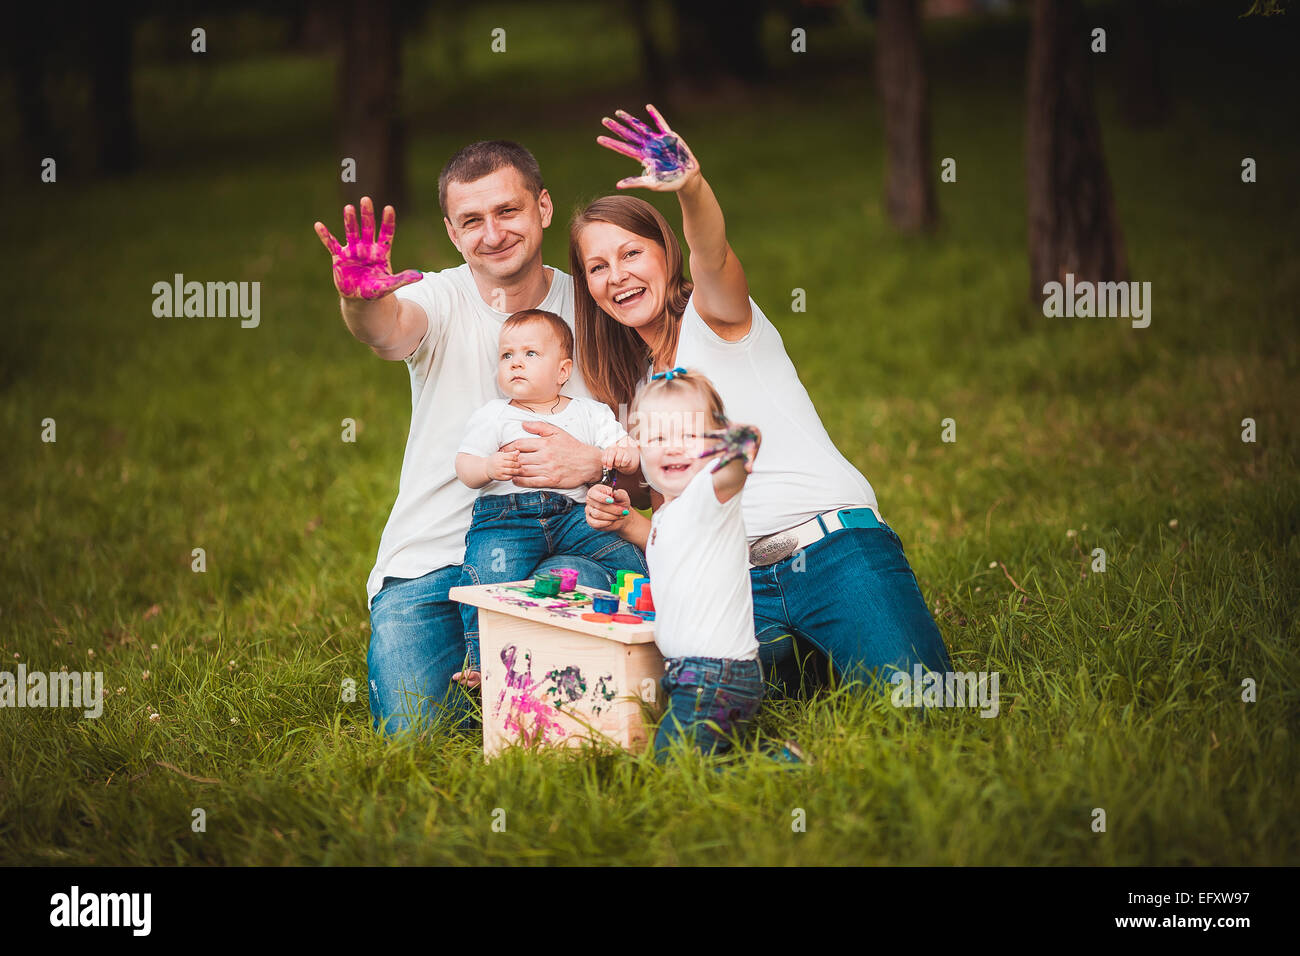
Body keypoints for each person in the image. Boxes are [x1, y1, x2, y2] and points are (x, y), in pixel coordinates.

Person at [576, 106, 953, 696]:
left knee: (923, 703)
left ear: (665, 254)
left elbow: (715, 255)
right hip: (735, 585)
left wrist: (691, 188)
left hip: (830, 550)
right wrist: (624, 514)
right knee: (704, 715)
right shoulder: (643, 392)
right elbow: (682, 514)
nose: (616, 276)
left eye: (630, 254)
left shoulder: (716, 318)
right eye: (597, 267)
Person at [313, 141, 643, 734]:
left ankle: (516, 690)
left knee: (564, 721)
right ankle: (493, 682)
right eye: (472, 221)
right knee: (418, 736)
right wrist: (358, 301)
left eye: (507, 211)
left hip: (557, 554)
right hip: (430, 564)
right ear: (451, 232)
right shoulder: (437, 299)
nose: (492, 234)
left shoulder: (596, 303)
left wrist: (595, 462)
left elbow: (642, 460)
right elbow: (387, 329)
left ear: (542, 207)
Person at [453, 308, 645, 686]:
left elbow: (621, 445)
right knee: (490, 577)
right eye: (506, 355)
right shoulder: (494, 415)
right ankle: (483, 664)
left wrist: (624, 453)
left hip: (573, 513)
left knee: (627, 555)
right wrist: (490, 467)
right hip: (507, 518)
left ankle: (648, 617)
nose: (515, 364)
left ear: (563, 371)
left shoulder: (589, 412)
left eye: (530, 354)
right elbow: (464, 466)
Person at [627, 367, 767, 760]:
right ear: (639, 448)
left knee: (671, 770)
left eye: (689, 435)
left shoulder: (708, 496)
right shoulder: (669, 515)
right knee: (696, 758)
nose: (673, 447)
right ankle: (742, 758)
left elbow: (742, 457)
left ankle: (780, 766)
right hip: (693, 674)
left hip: (715, 674)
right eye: (657, 437)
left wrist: (734, 441)